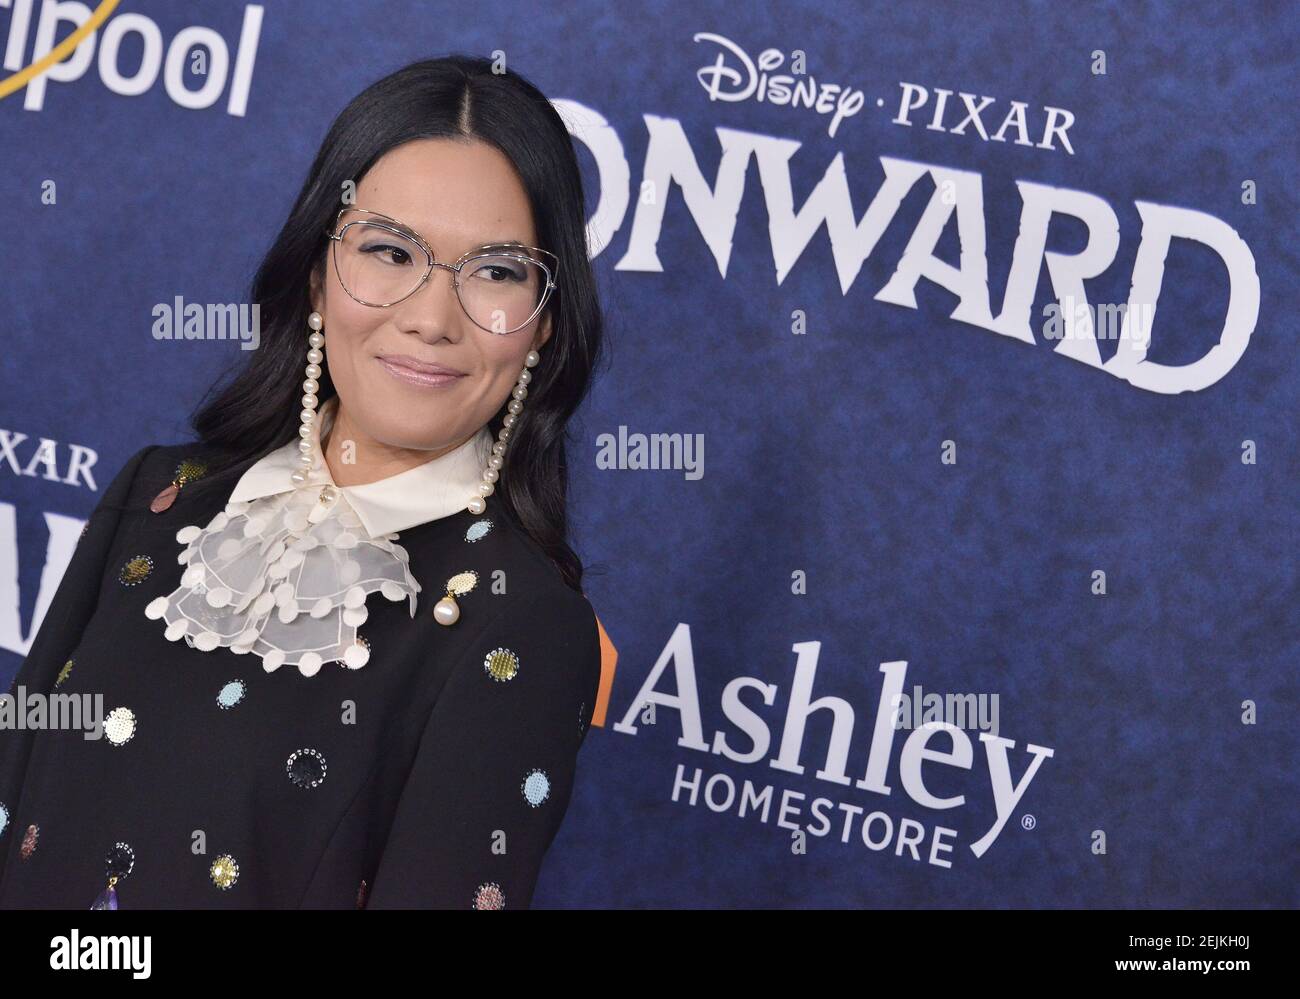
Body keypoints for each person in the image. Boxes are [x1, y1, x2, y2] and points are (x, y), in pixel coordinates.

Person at [0, 54, 607, 909]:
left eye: (497, 271)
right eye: (390, 251)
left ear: (544, 322)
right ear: (318, 274)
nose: (431, 318)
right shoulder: (159, 494)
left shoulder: (522, 625)